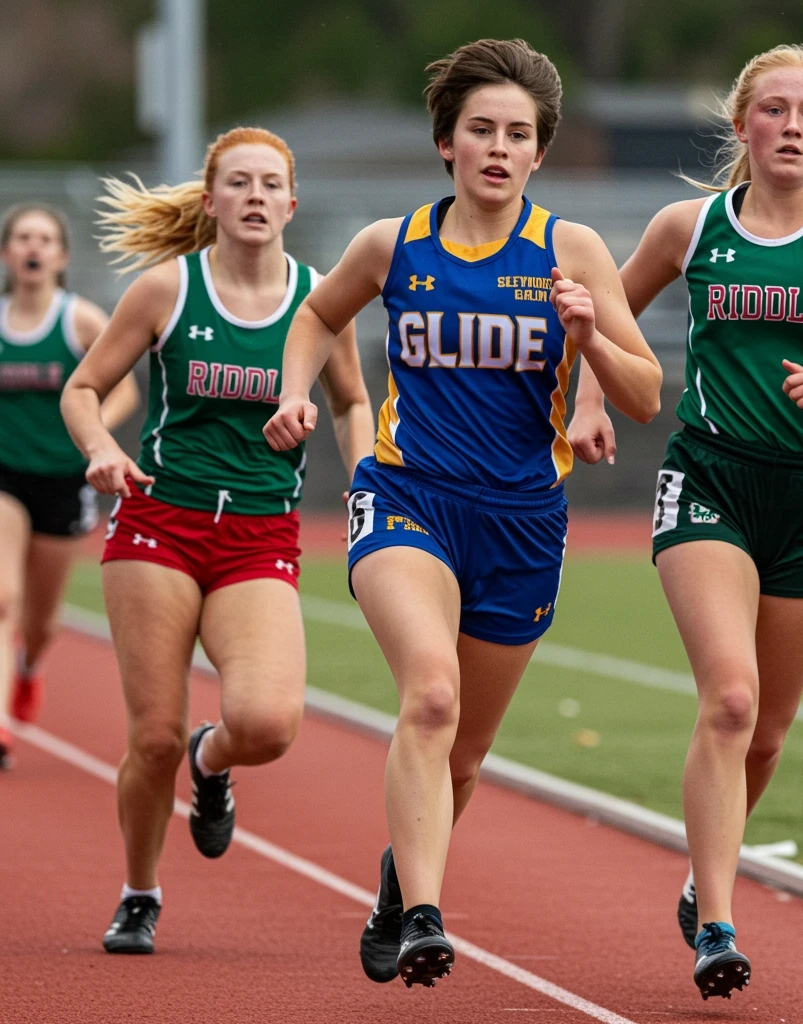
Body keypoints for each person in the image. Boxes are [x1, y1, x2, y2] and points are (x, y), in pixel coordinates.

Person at [264, 38, 662, 989]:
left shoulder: (571, 251)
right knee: (430, 695)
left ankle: (401, 884)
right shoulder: (392, 243)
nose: (498, 147)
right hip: (409, 498)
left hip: (523, 518)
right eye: (480, 129)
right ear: (446, 142)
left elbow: (645, 395)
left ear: (538, 153)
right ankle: (431, 919)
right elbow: (317, 316)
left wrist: (590, 338)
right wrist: (294, 391)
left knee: (467, 753)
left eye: (518, 134)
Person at [568, 43, 803, 1000]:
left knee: (769, 731)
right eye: (773, 110)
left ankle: (706, 879)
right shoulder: (688, 226)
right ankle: (720, 923)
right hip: (711, 481)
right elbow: (606, 315)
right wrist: (586, 402)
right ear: (741, 125)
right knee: (730, 699)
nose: (791, 127)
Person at [61, 127, 374, 954]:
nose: (257, 198)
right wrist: (100, 447)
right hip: (160, 523)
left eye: (272, 185)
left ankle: (213, 763)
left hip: (258, 535)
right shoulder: (166, 290)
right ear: (212, 201)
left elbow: (351, 402)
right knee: (151, 735)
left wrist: (365, 472)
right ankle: (139, 891)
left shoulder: (319, 300)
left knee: (267, 722)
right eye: (239, 184)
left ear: (292, 204)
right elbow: (85, 387)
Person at [0, 204, 139, 770]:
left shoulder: (78, 319)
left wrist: (95, 438)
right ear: (8, 253)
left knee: (41, 620)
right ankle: (2, 726)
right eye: (23, 238)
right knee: (2, 596)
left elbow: (124, 387)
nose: (33, 248)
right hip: (4, 475)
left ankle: (29, 667)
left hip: (62, 478)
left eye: (45, 239)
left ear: (61, 255)